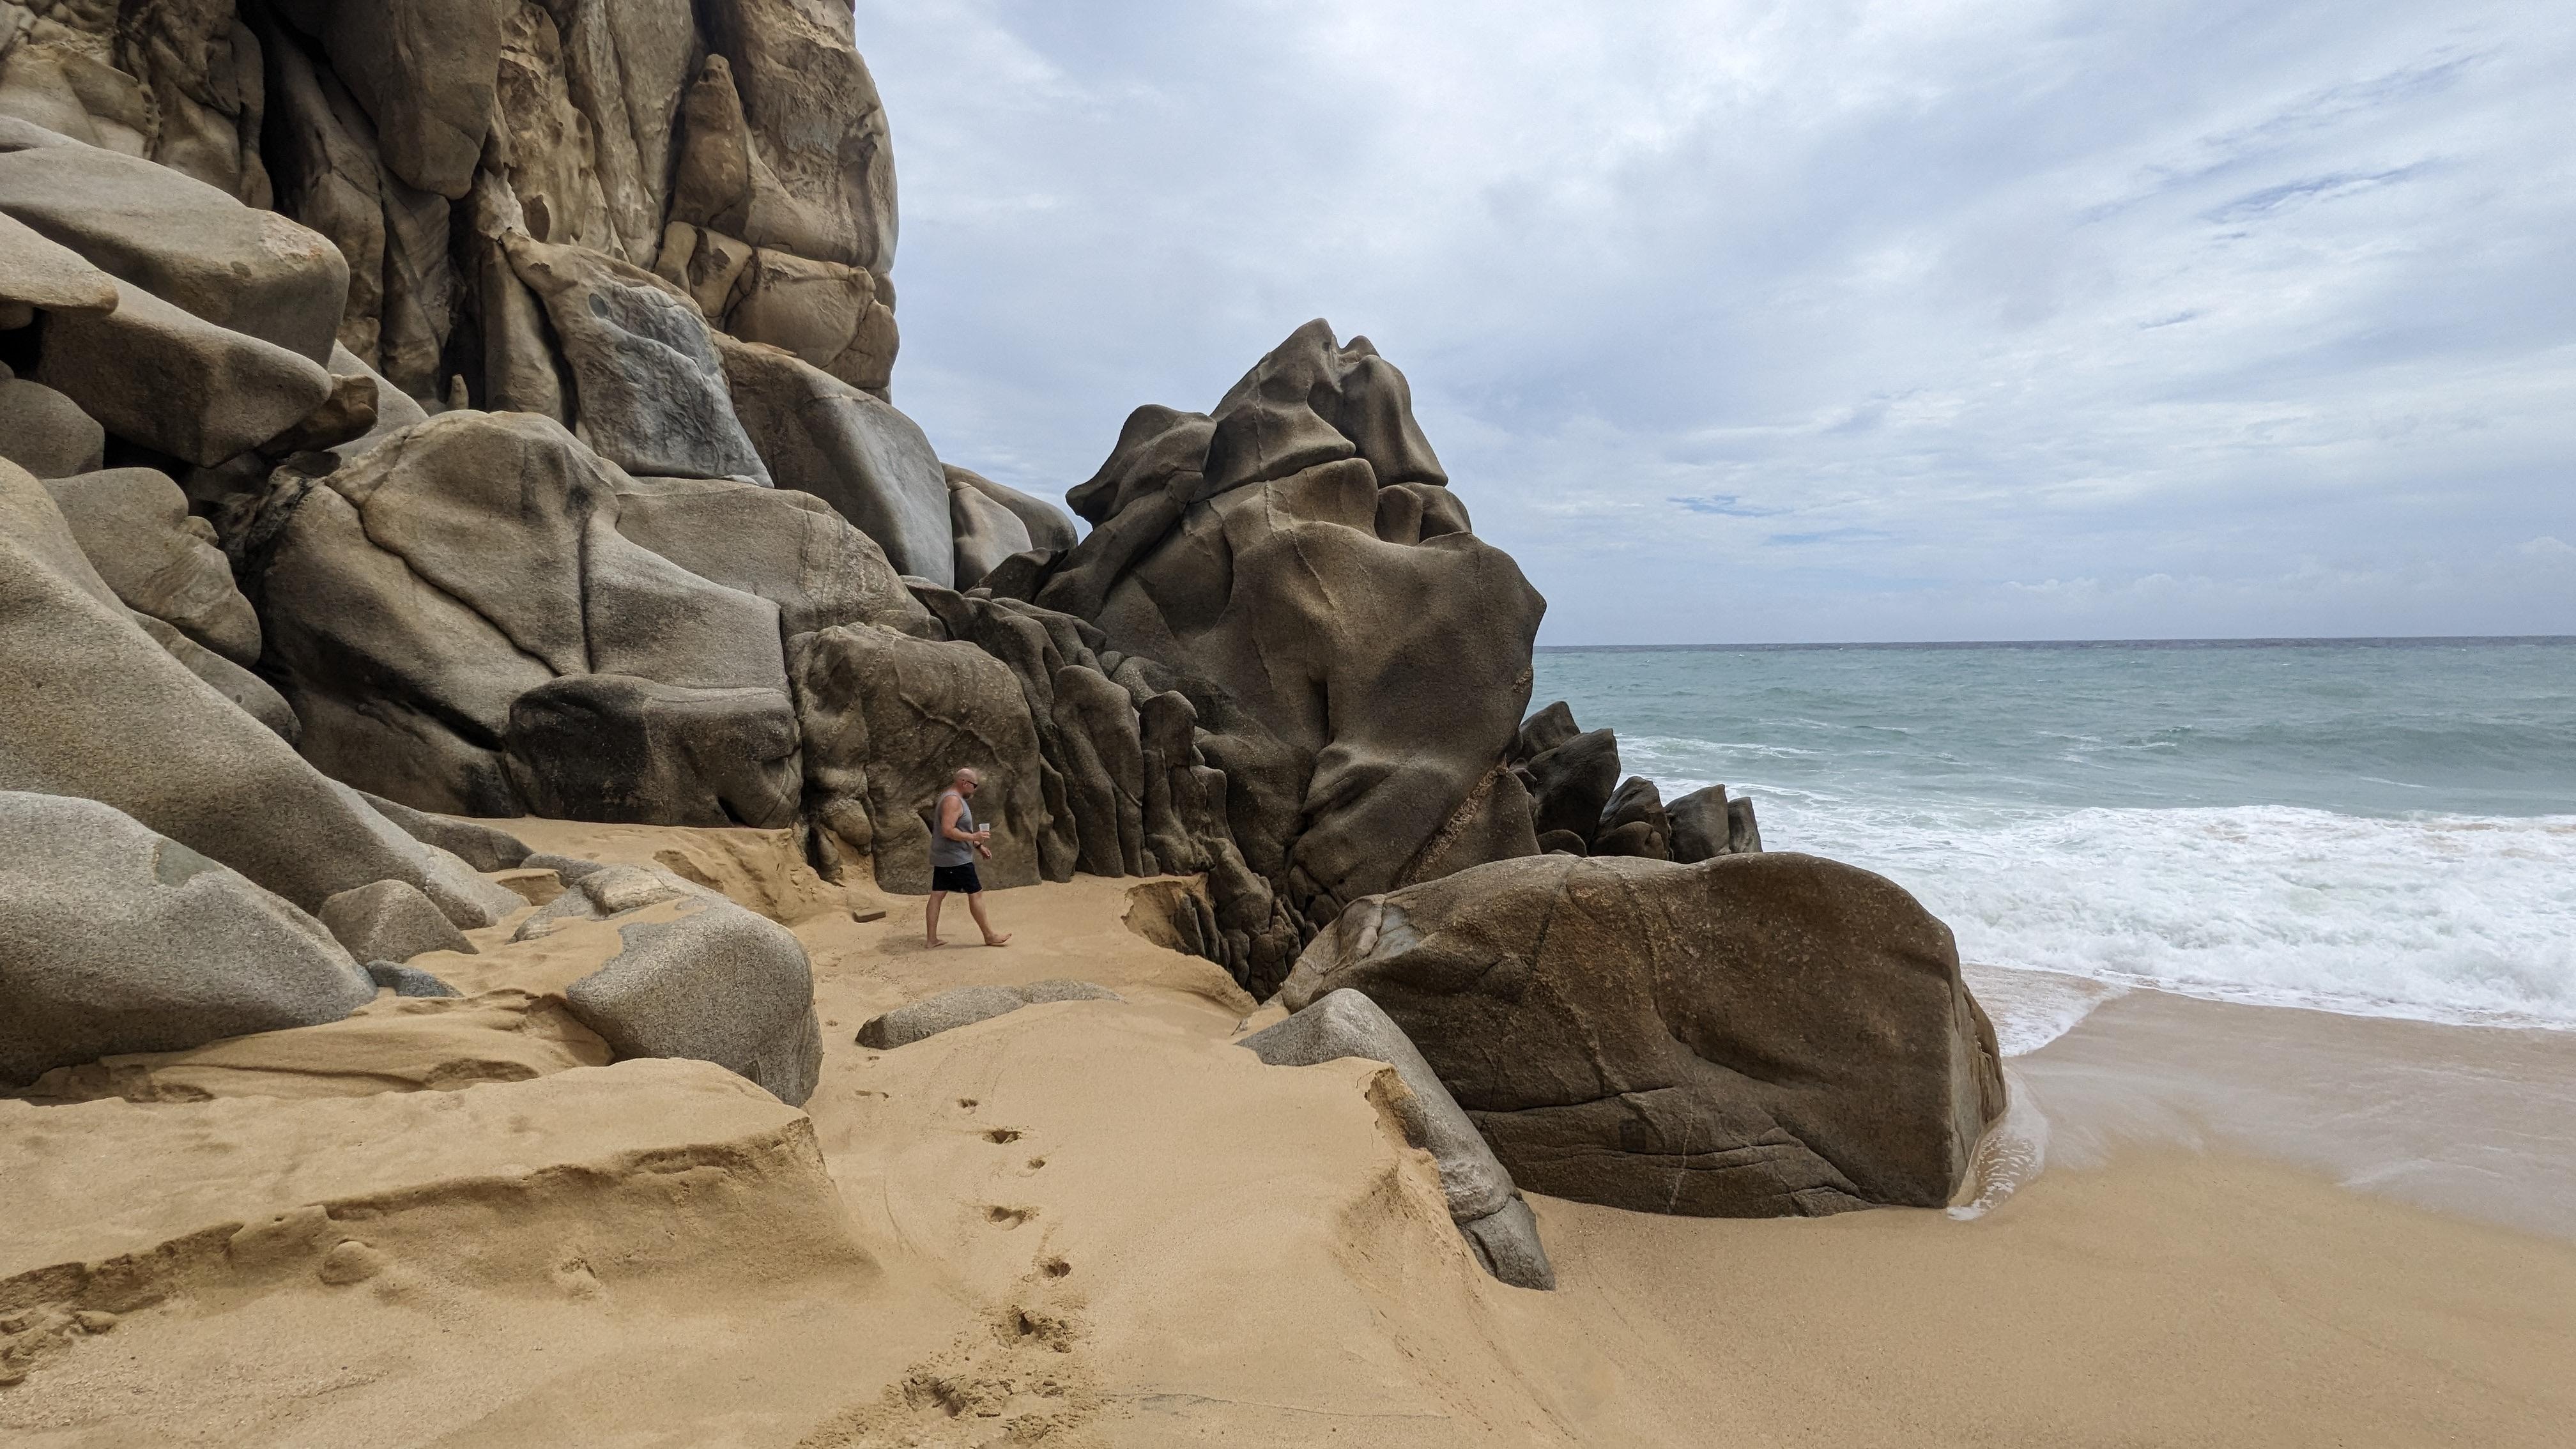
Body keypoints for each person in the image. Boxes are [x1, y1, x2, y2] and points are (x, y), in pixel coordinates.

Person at [926, 767, 1009, 948]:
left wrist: (978, 846)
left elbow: (960, 829)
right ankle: (989, 935)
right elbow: (948, 830)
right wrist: (975, 837)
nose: (975, 790)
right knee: (976, 893)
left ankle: (931, 940)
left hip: (946, 857)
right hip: (956, 859)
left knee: (937, 895)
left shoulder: (953, 799)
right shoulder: (952, 801)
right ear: (964, 783)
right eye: (974, 785)